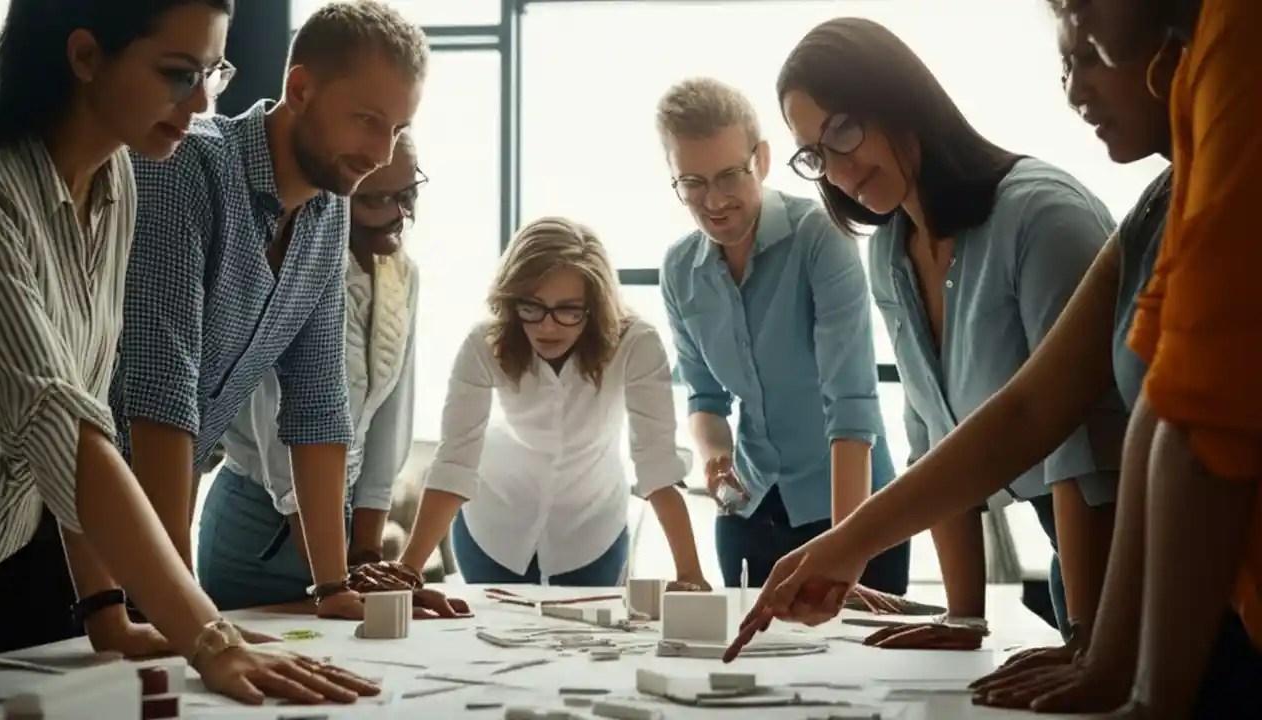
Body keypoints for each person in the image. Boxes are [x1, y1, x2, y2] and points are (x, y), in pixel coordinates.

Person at [724, 0, 1177, 684]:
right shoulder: (890, 253)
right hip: (1078, 573)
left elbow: (1074, 440)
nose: (838, 166)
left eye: (843, 128)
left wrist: (1089, 636)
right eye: (816, 152)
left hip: (1138, 559)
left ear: (898, 99)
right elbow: (936, 439)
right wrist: (963, 618)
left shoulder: (1041, 215)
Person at [0, 0, 377, 705]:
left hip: (5, 550)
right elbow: (60, 423)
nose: (199, 103)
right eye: (176, 73)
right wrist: (207, 633)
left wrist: (105, 610)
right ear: (84, 57)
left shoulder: (118, 184)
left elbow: (84, 404)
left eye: (212, 73)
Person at [109, 0, 427, 622]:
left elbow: (318, 403)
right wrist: (184, 611)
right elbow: (160, 394)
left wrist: (334, 588)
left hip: (148, 511)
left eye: (395, 128)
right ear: (300, 88)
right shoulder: (189, 168)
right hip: (65, 506)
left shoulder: (329, 209)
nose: (377, 151)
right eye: (366, 119)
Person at [1002, 1, 1260, 717]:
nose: (1078, 76)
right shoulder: (1191, 103)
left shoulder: (1241, 40)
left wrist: (1146, 695)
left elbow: (1200, 412)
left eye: (1080, 18)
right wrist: (1111, 663)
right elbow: (1162, 396)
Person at [656, 77, 910, 597]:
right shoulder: (680, 269)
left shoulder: (821, 237)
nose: (714, 200)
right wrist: (713, 454)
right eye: (692, 182)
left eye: (729, 175)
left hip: (851, 507)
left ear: (763, 159)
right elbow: (705, 398)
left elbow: (852, 405)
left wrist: (845, 545)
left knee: (857, 669)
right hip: (748, 512)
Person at [207, 133, 465, 616]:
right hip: (264, 530)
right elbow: (283, 440)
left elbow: (389, 424)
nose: (399, 213)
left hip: (342, 534)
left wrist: (366, 561)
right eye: (374, 199)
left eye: (409, 192)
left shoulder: (403, 276)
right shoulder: (291, 270)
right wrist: (339, 581)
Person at [399, 217, 710, 589]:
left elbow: (657, 464)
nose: (547, 327)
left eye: (569, 310)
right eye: (532, 307)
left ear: (596, 307)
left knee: (588, 643)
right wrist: (407, 571)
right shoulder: (484, 342)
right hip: (494, 526)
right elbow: (454, 462)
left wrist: (690, 574)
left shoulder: (636, 344)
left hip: (591, 530)